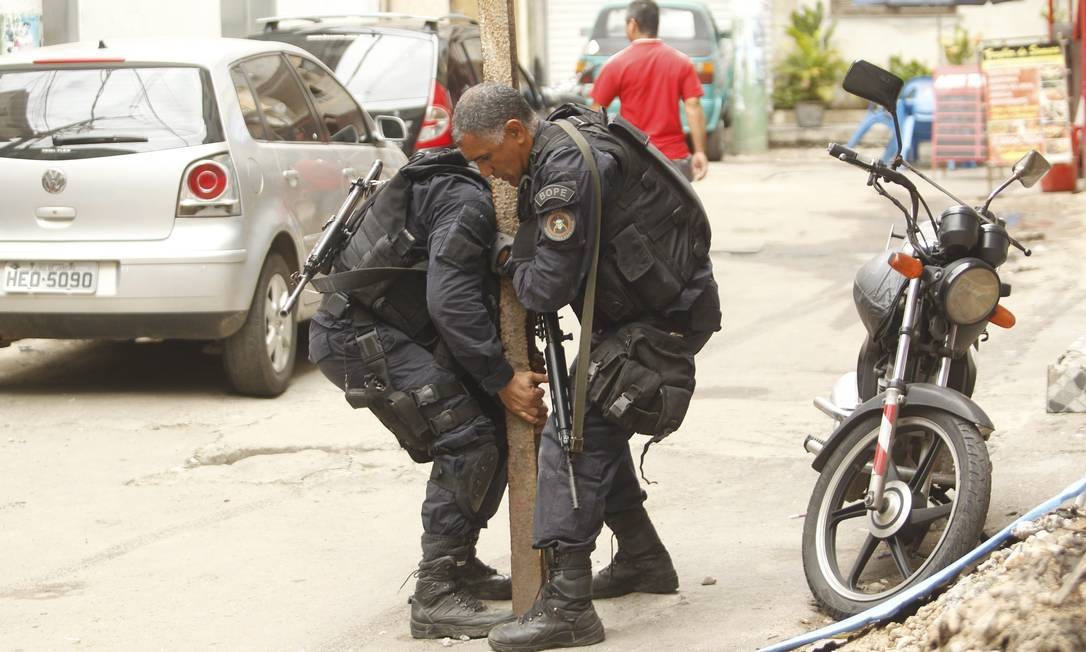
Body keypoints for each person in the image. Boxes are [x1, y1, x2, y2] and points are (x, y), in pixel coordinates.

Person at [453, 84, 721, 651]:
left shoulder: (564, 168)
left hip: (657, 322)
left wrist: (507, 258)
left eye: (484, 157)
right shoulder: (558, 145)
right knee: (595, 424)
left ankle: (568, 605)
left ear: (515, 133)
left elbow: (546, 289)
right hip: (643, 310)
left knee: (571, 435)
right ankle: (645, 559)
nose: (485, 172)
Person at [307, 148, 549, 640]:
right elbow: (451, 302)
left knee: (492, 431)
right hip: (355, 336)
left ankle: (459, 563)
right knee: (467, 439)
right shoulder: (467, 200)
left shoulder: (454, 184)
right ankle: (435, 594)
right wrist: (501, 379)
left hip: (383, 327)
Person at [590, 0, 709, 182]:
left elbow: (596, 112)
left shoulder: (615, 64)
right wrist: (699, 151)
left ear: (632, 24)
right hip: (674, 160)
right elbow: (693, 106)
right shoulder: (682, 62)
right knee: (677, 211)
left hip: (633, 158)